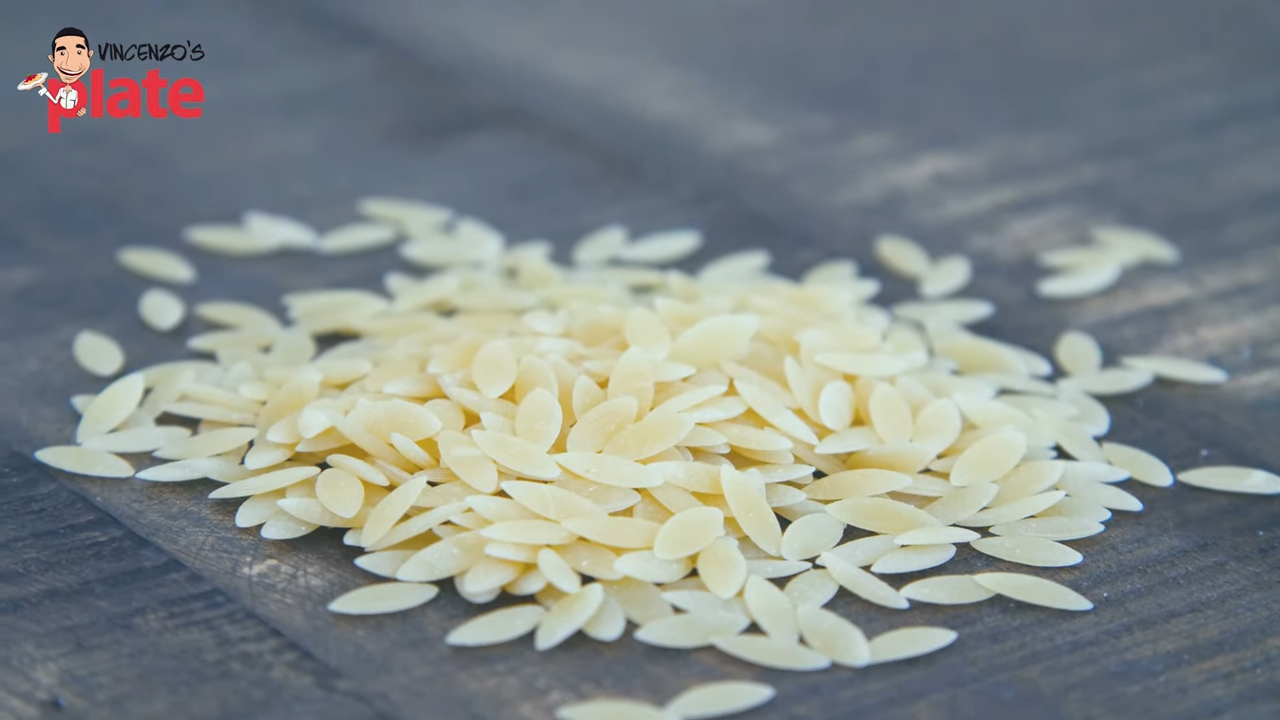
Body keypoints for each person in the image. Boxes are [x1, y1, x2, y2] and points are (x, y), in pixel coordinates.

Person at [33, 27, 92, 117]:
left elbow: (78, 105)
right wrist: (43, 89)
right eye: (62, 53)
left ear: (89, 55)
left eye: (79, 52)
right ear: (52, 59)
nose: (69, 64)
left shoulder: (76, 93)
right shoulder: (60, 91)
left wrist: (80, 110)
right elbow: (55, 101)